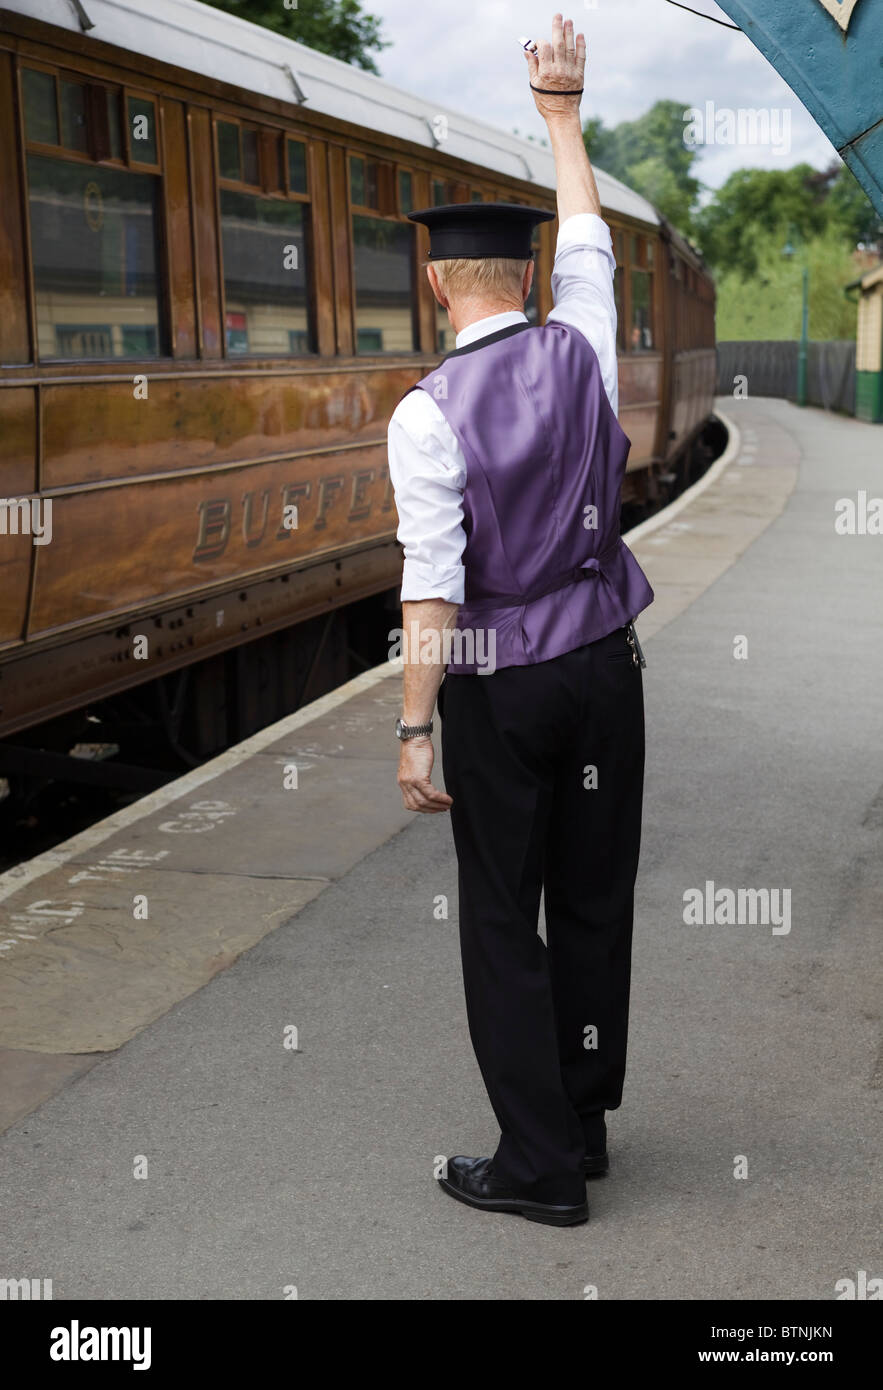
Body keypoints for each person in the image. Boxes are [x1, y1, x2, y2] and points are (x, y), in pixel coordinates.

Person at [387, 14, 654, 1228]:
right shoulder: (581, 348)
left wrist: (415, 725)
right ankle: (582, 1128)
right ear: (530, 281)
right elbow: (591, 237)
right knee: (594, 898)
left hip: (502, 685)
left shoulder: (427, 411)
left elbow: (432, 582)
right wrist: (562, 116)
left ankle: (536, 1165)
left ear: (439, 282)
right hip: (605, 665)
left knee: (503, 916)